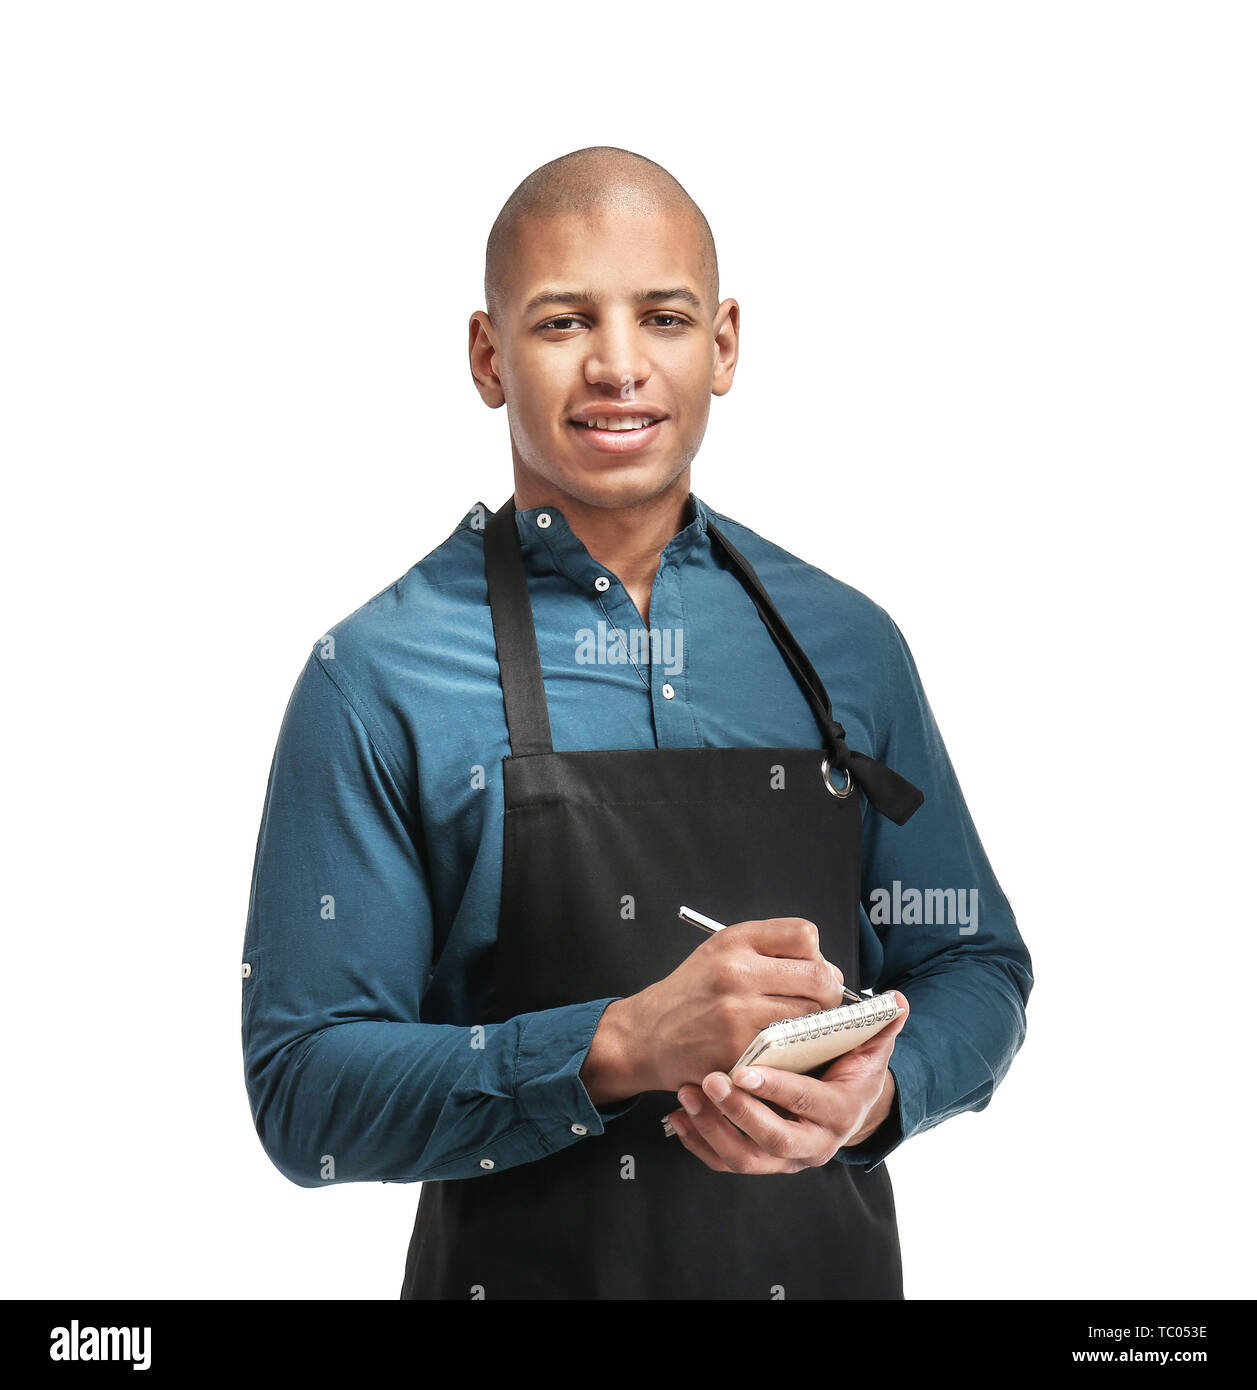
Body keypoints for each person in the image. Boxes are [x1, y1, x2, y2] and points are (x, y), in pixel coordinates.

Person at [240, 146, 1033, 1300]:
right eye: (564, 322)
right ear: (487, 355)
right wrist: (616, 1045)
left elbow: (973, 960)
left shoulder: (848, 647)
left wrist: (885, 1088)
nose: (619, 367)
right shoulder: (374, 679)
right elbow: (303, 1084)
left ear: (721, 347)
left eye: (663, 316)